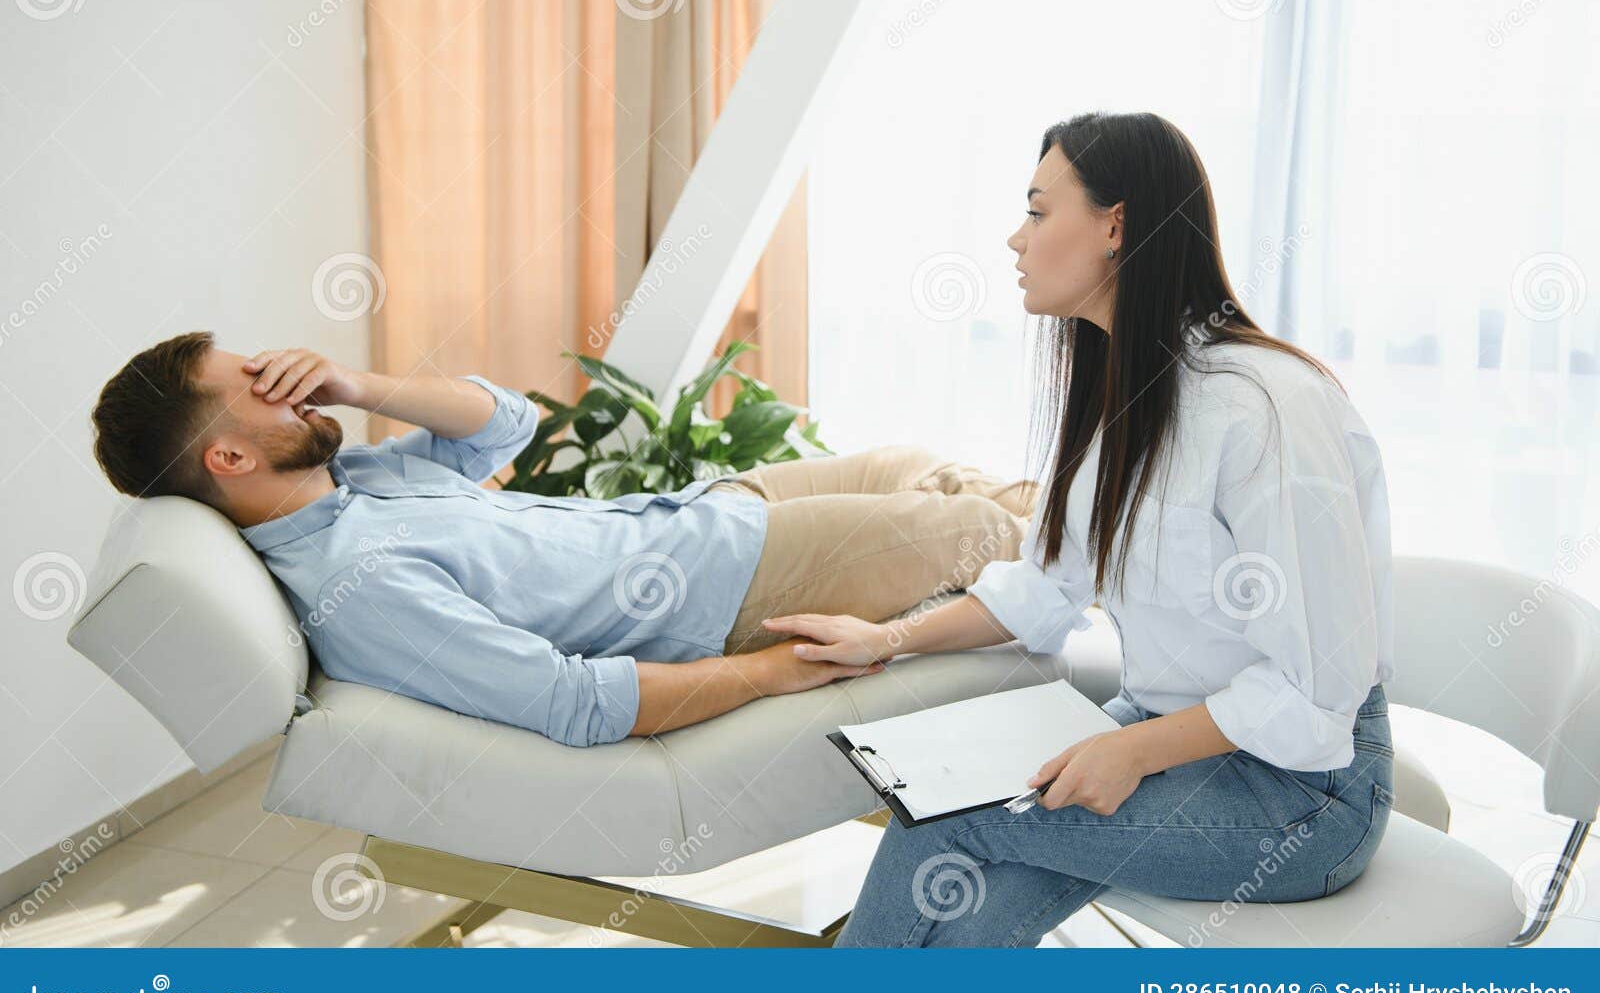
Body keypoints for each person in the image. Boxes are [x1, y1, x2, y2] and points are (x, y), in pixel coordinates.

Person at [766, 111, 1394, 947]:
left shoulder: (1268, 409)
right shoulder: (1131, 399)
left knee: (943, 824)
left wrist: (1132, 753)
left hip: (1302, 795)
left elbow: (1314, 695)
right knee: (958, 910)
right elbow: (1044, 588)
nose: (1014, 241)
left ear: (1115, 225)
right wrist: (886, 637)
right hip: (1169, 740)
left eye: (1035, 211)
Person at [89, 337, 1034, 747]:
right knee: (982, 530)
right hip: (733, 588)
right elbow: (572, 702)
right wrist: (767, 674)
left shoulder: (356, 479)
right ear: (227, 453)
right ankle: (1157, 558)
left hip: (702, 514)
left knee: (918, 463)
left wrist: (357, 384)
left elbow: (502, 425)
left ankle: (1145, 522)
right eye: (260, 384)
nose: (285, 378)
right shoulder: (358, 581)